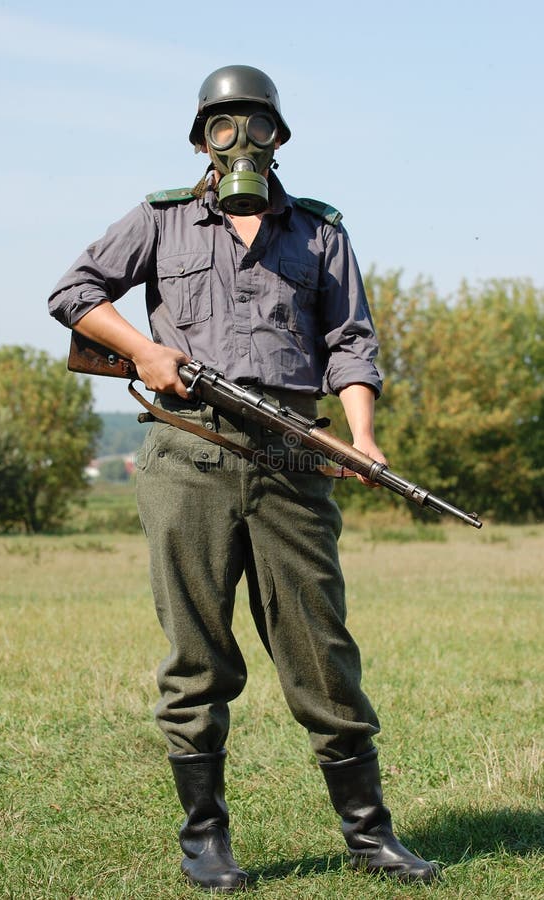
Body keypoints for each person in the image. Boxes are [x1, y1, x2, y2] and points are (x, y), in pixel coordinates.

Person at [48, 65, 439, 892]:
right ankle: (205, 842)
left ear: (278, 136)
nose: (238, 141)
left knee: (322, 651)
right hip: (186, 456)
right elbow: (73, 292)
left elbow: (350, 344)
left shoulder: (321, 232)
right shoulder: (160, 220)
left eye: (254, 124)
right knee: (197, 655)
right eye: (222, 126)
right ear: (200, 139)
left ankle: (369, 837)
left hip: (295, 460)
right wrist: (145, 351)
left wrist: (362, 439)